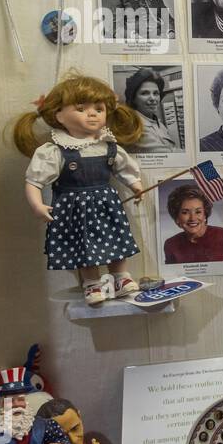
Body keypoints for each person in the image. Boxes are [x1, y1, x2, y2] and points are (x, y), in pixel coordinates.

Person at [13, 74, 146, 305]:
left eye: (99, 109)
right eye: (81, 109)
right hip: (73, 209)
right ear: (58, 115)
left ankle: (120, 277)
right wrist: (37, 205)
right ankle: (92, 283)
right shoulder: (55, 151)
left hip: (106, 205)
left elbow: (124, 169)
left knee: (115, 238)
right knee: (83, 245)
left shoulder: (108, 145)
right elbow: (34, 180)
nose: (92, 114)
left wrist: (135, 185)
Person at [163, 185, 223, 264]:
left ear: (205, 215)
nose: (192, 218)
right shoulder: (171, 244)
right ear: (177, 218)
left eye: (198, 212)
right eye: (185, 212)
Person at [123, 67, 179, 154]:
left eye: (156, 93)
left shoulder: (154, 120)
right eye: (145, 93)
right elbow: (168, 155)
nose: (153, 98)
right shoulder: (135, 127)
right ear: (133, 98)